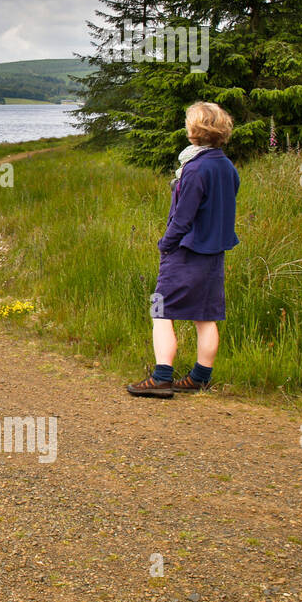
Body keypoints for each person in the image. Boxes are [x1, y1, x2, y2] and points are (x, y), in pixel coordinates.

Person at [128, 101, 240, 399]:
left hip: (186, 252)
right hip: (214, 254)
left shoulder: (195, 169)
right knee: (205, 317)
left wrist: (165, 244)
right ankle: (199, 378)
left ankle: (162, 377)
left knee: (160, 312)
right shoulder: (226, 166)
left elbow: (183, 217)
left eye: (189, 122)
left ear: (196, 130)